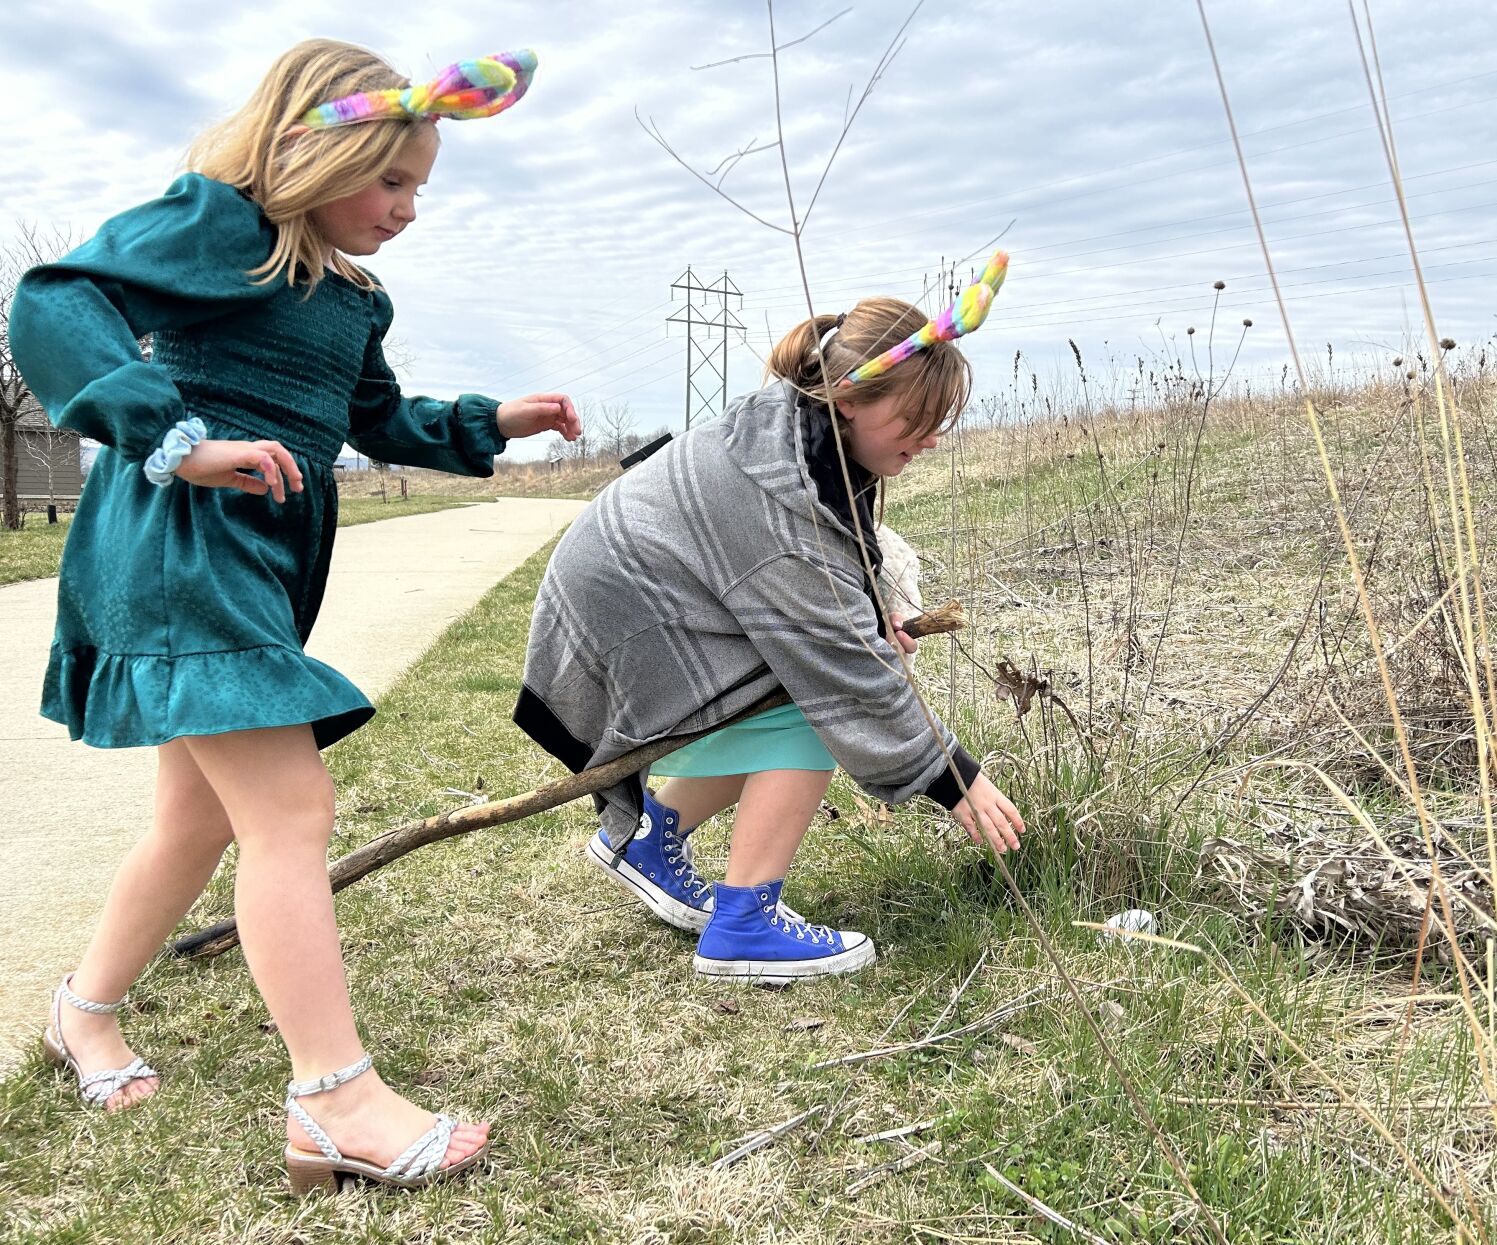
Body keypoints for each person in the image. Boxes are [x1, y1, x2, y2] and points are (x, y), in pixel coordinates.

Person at [11, 40, 579, 1194]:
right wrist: (177, 439)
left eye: (421, 188)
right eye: (393, 180)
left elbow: (379, 419)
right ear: (321, 150)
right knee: (290, 807)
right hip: (176, 547)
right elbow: (55, 300)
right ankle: (334, 1098)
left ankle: (84, 1014)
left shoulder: (354, 296)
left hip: (261, 565)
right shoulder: (217, 225)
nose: (408, 210)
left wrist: (493, 421)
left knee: (196, 819)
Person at [514, 259, 1025, 986]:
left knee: (807, 678)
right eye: (916, 419)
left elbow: (837, 565)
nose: (931, 437)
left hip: (626, 602)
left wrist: (876, 606)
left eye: (939, 422)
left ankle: (653, 840)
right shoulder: (783, 485)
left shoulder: (802, 436)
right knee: (819, 699)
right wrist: (955, 778)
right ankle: (744, 923)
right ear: (848, 397)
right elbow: (842, 663)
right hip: (619, 623)